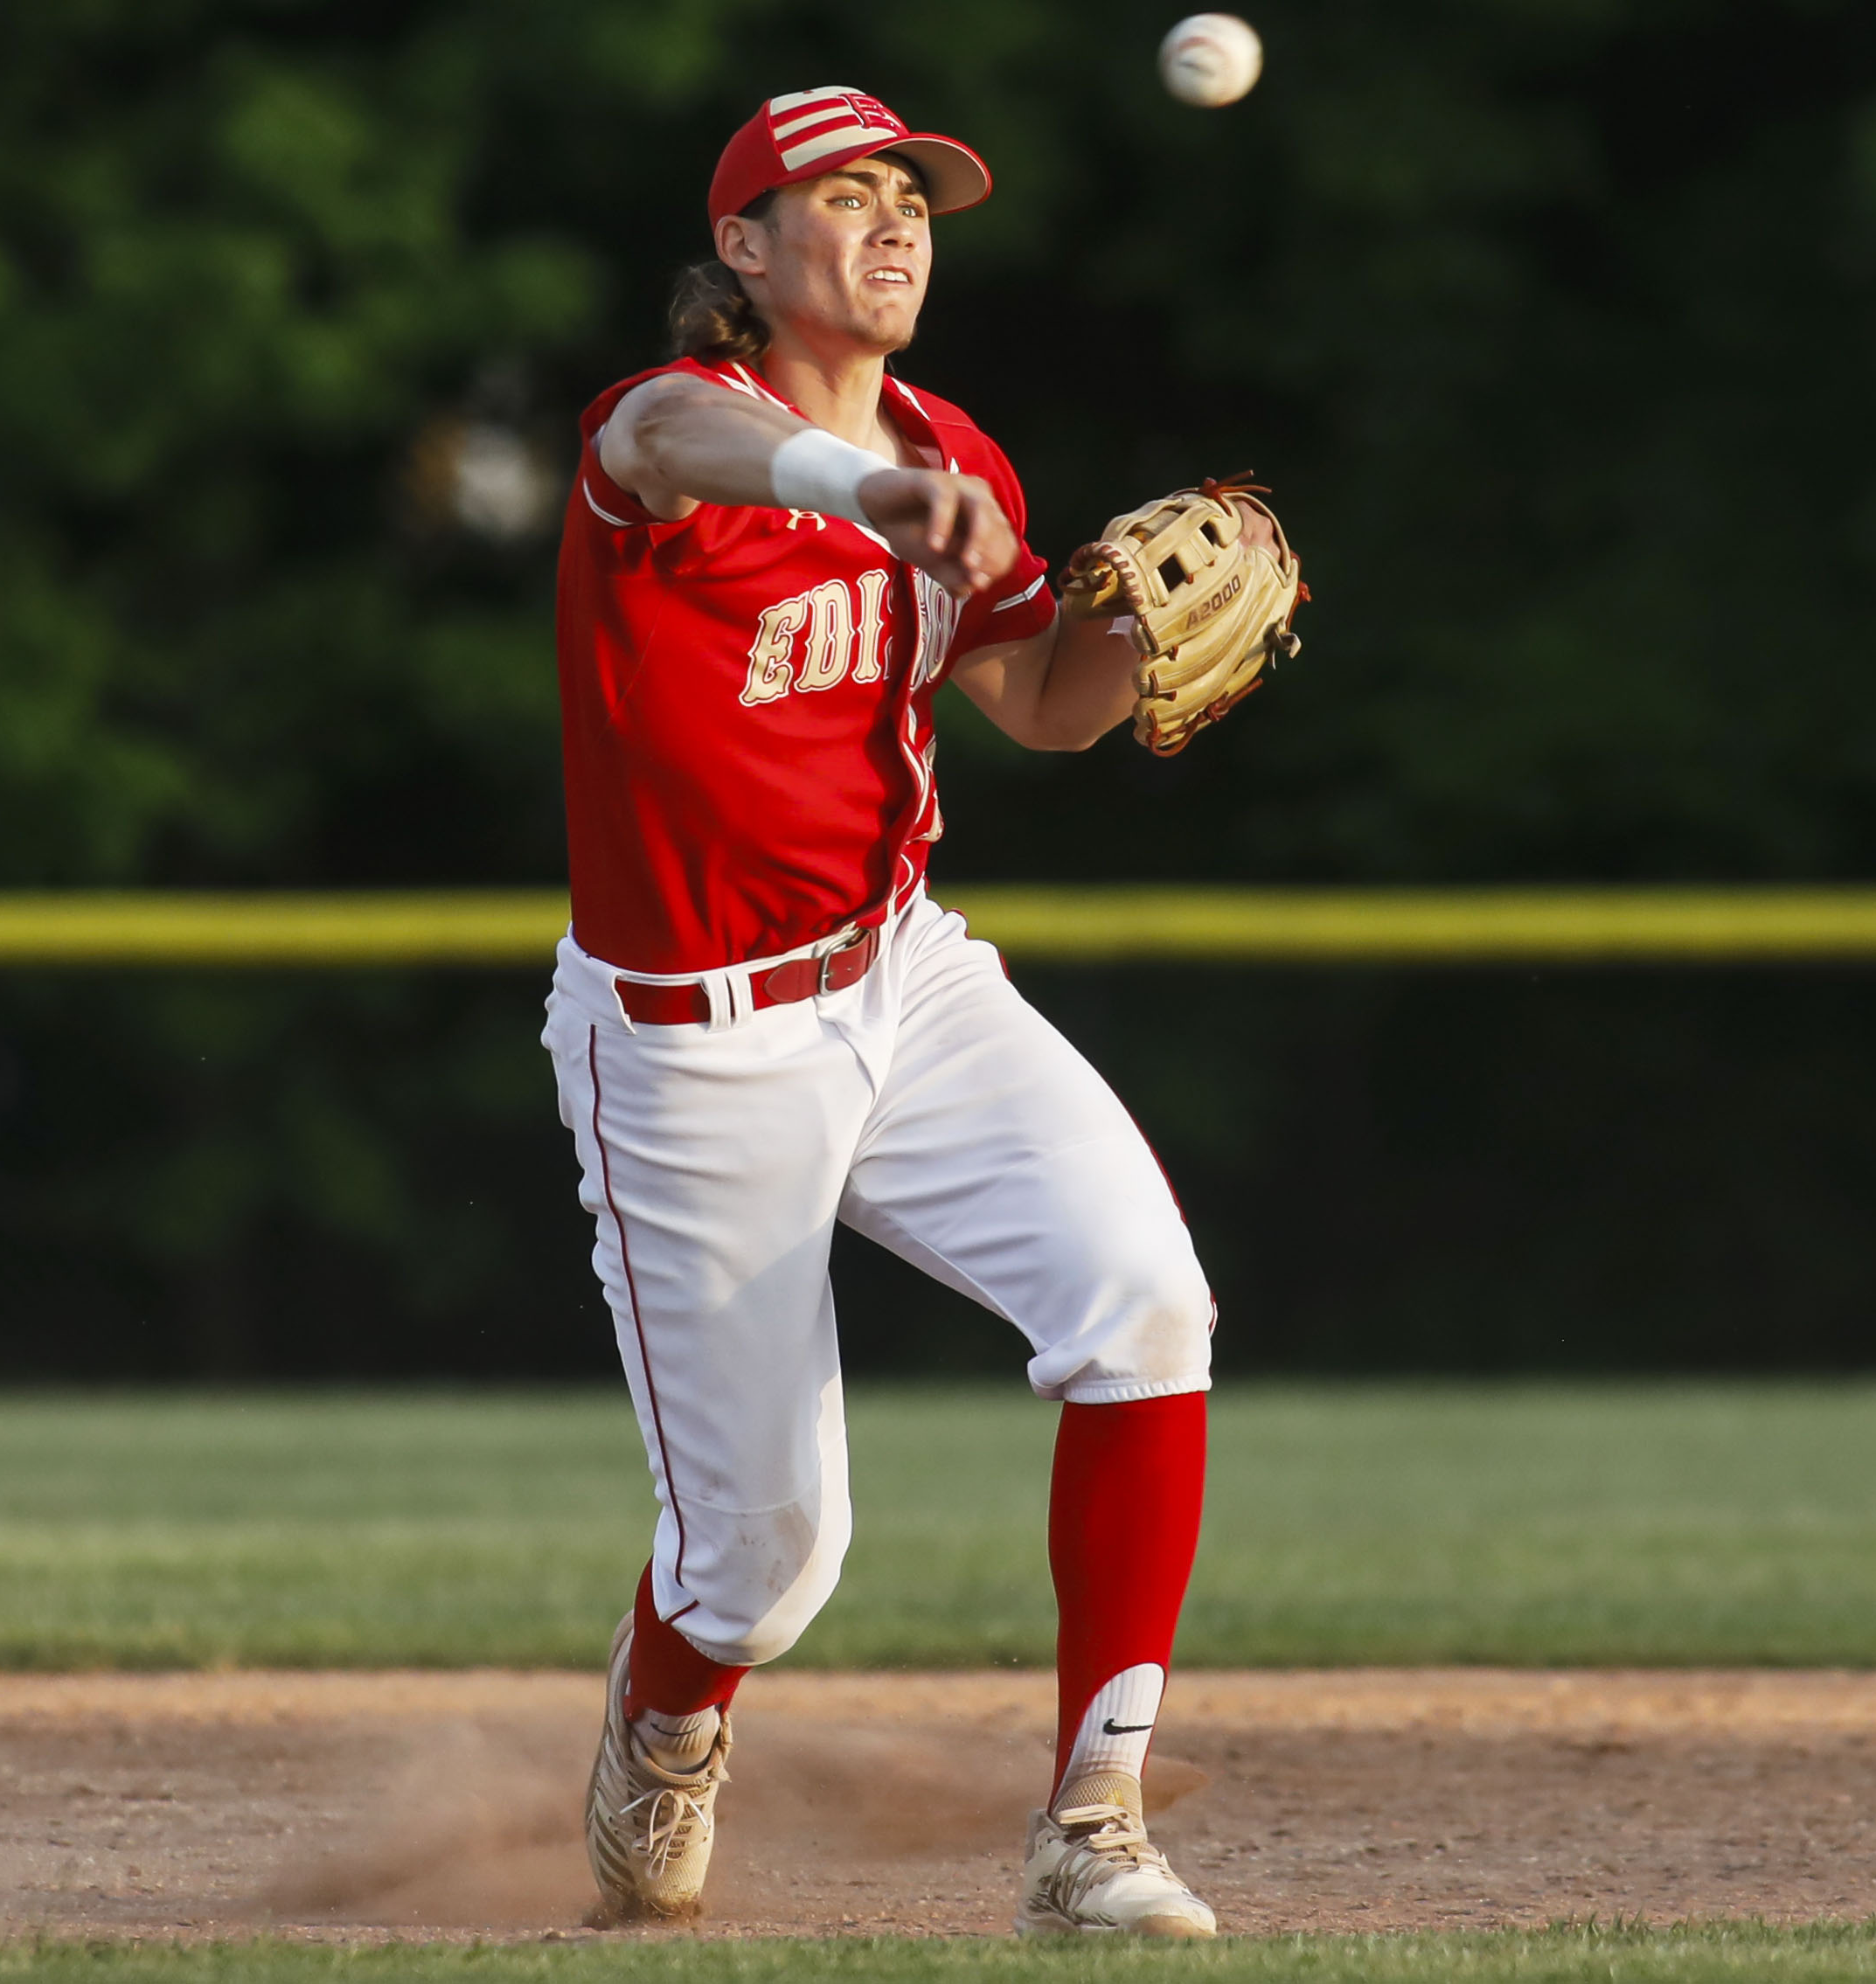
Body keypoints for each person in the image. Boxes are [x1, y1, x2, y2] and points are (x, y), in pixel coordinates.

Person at [542, 85, 1238, 1938]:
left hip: (901, 971)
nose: (895, 222)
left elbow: (1037, 701)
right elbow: (699, 440)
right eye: (841, 196)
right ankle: (664, 1721)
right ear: (746, 254)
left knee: (1144, 1297)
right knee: (764, 1564)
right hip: (692, 1041)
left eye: (912, 196)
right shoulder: (659, 432)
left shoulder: (959, 454)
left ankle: (1092, 1820)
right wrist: (858, 488)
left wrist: (1146, 647)